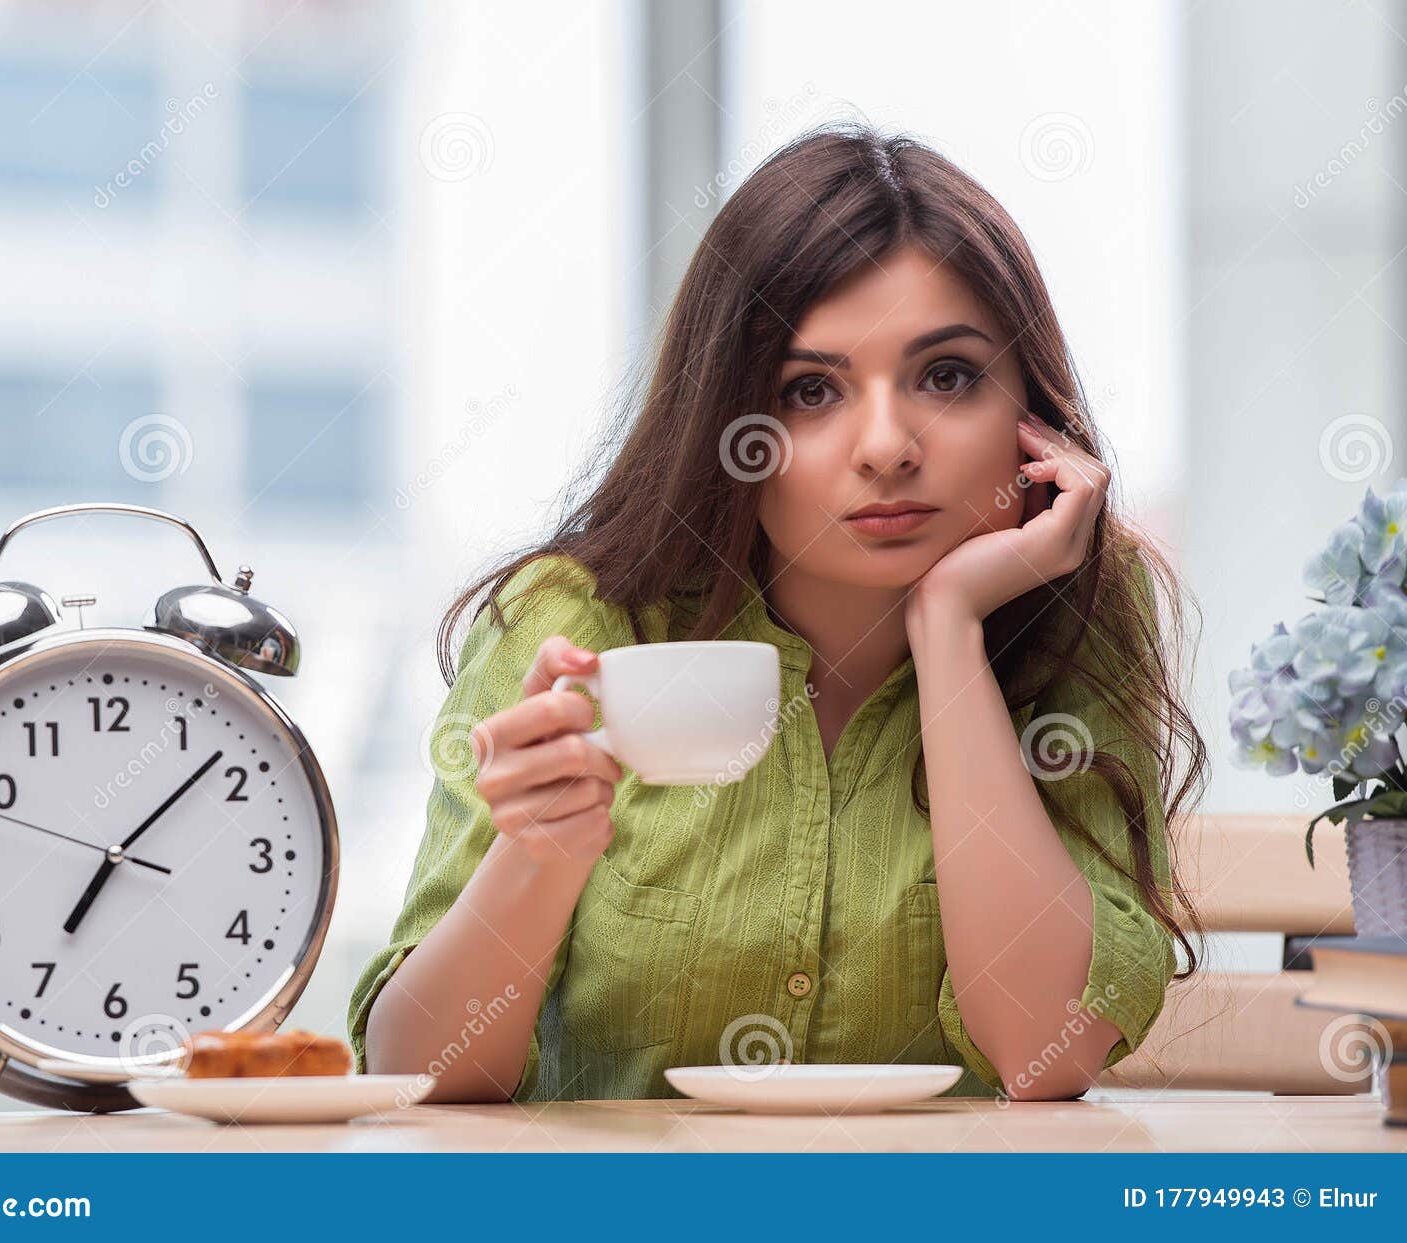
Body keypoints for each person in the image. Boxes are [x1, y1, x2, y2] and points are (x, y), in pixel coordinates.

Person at [349, 123, 1207, 1103]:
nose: (885, 445)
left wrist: (948, 630)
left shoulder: (1077, 612)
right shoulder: (576, 621)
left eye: (946, 376)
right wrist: (537, 856)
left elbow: (1047, 1049)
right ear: (729, 423)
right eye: (810, 391)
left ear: (1033, 415)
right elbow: (418, 1074)